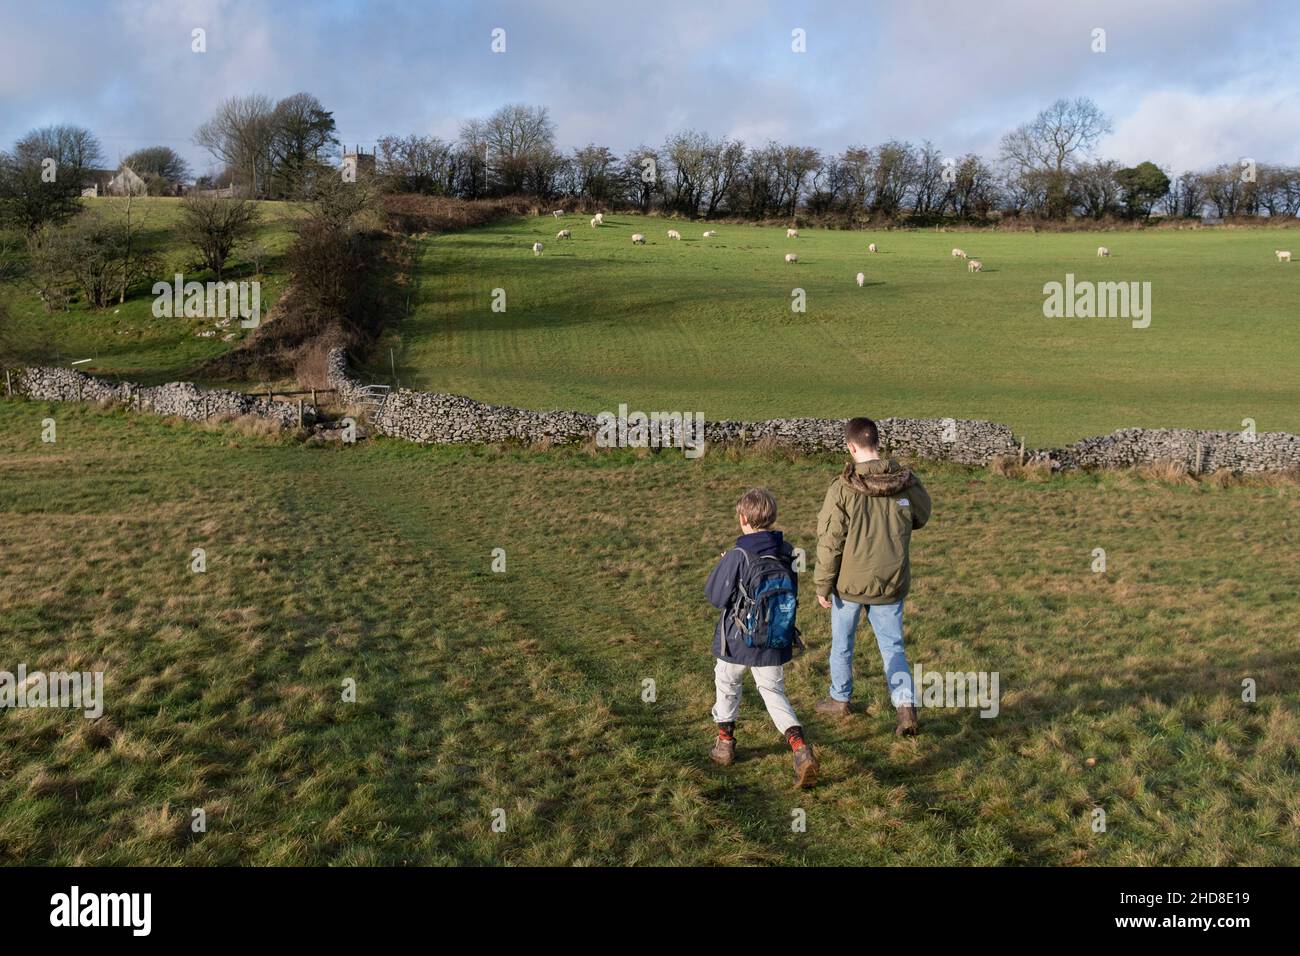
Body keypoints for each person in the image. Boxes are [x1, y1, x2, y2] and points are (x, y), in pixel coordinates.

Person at [813, 417, 932, 735]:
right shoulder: (905, 481)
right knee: (893, 647)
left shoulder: (841, 489)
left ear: (851, 446)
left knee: (842, 645)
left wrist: (822, 584)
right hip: (891, 582)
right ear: (878, 443)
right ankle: (905, 708)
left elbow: (830, 541)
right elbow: (922, 514)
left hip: (848, 586)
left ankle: (840, 700)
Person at [705, 487, 819, 788]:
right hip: (773, 640)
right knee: (773, 692)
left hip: (737, 642)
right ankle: (800, 748)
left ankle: (725, 744)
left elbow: (715, 596)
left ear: (743, 519)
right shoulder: (791, 551)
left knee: (728, 683)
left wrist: (726, 564)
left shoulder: (738, 555)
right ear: (772, 518)